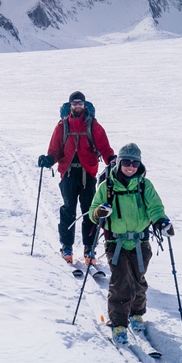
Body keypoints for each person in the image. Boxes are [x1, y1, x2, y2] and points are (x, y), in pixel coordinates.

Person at [89, 143, 174, 345]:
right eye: (126, 162)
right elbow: (93, 212)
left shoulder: (145, 185)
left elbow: (155, 207)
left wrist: (162, 222)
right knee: (120, 282)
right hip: (115, 242)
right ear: (119, 163)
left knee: (138, 280)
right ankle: (118, 323)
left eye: (135, 163)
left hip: (140, 241)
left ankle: (136, 313)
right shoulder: (107, 187)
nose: (130, 166)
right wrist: (100, 212)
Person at [38, 91, 115, 264]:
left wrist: (112, 159)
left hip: (88, 174)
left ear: (85, 105)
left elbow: (104, 147)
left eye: (80, 103)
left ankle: (89, 248)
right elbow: (55, 150)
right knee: (68, 210)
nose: (78, 106)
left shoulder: (93, 126)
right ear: (70, 105)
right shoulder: (62, 127)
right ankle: (67, 247)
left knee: (90, 211)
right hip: (68, 174)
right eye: (75, 103)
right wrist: (48, 159)